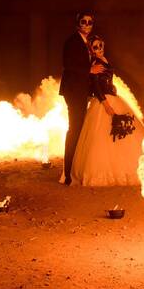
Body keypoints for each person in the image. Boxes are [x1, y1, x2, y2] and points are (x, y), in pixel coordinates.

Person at [70, 35, 144, 186]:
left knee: (122, 133)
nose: (99, 49)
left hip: (112, 96)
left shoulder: (104, 59)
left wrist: (112, 87)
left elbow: (106, 80)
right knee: (104, 136)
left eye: (100, 46)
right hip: (104, 101)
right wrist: (106, 104)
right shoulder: (95, 62)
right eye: (95, 47)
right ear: (91, 50)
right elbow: (96, 86)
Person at [59, 10, 103, 185]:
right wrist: (89, 71)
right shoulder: (72, 41)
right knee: (75, 128)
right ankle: (69, 173)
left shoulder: (88, 42)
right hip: (73, 91)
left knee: (79, 129)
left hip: (81, 91)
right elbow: (68, 65)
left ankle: (74, 170)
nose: (87, 24)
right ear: (78, 24)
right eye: (83, 22)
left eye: (90, 22)